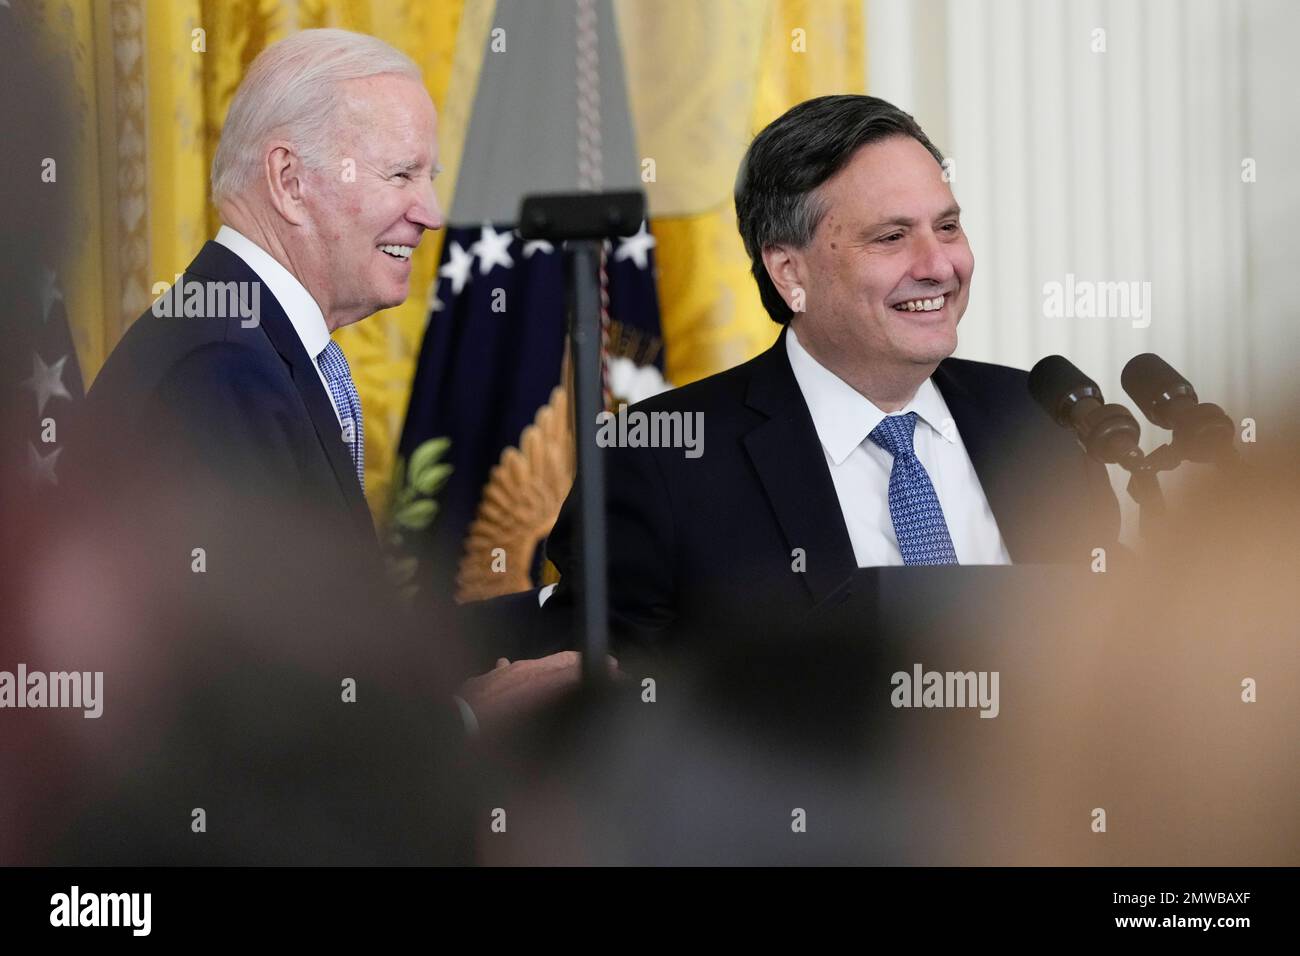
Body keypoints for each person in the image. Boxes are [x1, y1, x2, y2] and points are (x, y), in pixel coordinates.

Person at [73, 30, 580, 745]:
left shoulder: (247, 342)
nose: (432, 212)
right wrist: (466, 722)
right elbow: (259, 710)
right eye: (401, 175)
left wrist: (569, 608)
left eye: (428, 177)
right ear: (289, 181)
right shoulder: (218, 376)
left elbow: (336, 645)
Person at [546, 94, 1120, 643]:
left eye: (947, 227)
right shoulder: (656, 462)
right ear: (789, 272)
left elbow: (1117, 650)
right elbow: (595, 712)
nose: (940, 264)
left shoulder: (1043, 419)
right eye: (892, 237)